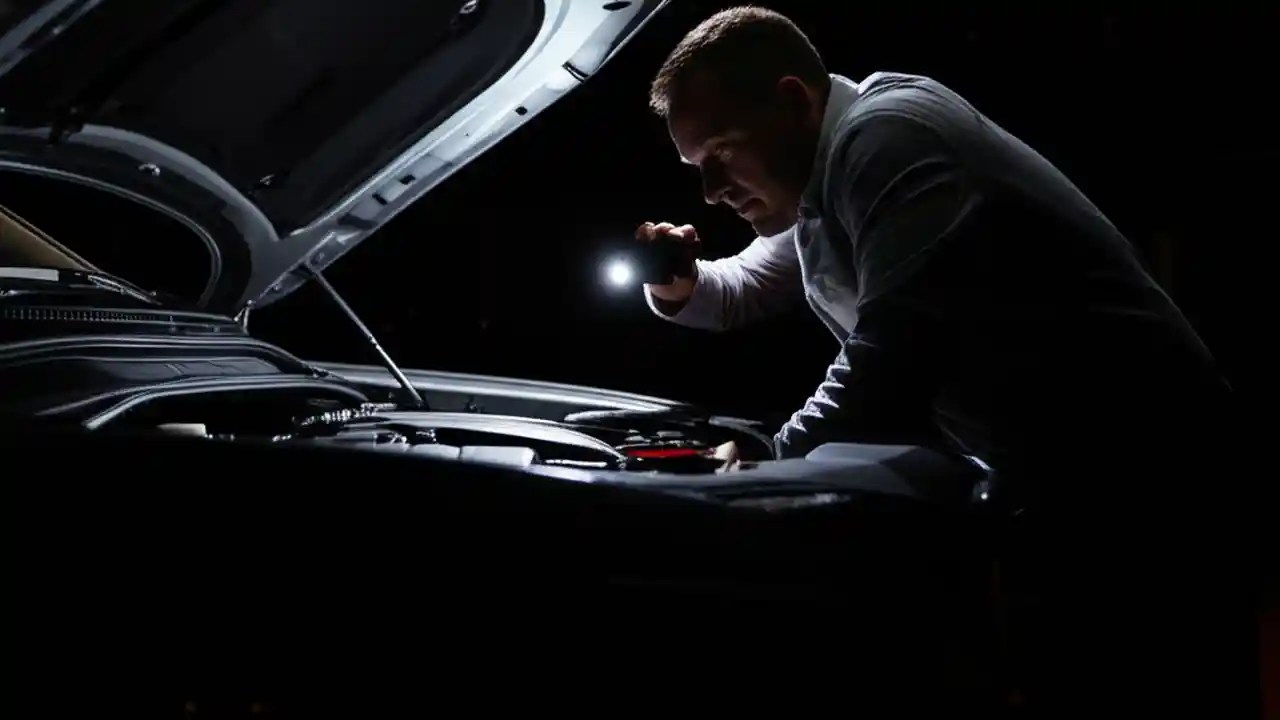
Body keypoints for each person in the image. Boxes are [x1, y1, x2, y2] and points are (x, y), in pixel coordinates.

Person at [638, 5, 1252, 714]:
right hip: (1073, 476)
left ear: (792, 102)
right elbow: (746, 286)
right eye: (697, 166)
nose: (710, 189)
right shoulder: (824, 168)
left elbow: (891, 357)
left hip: (1151, 475)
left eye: (721, 151)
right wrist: (676, 280)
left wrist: (760, 466)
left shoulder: (891, 140)